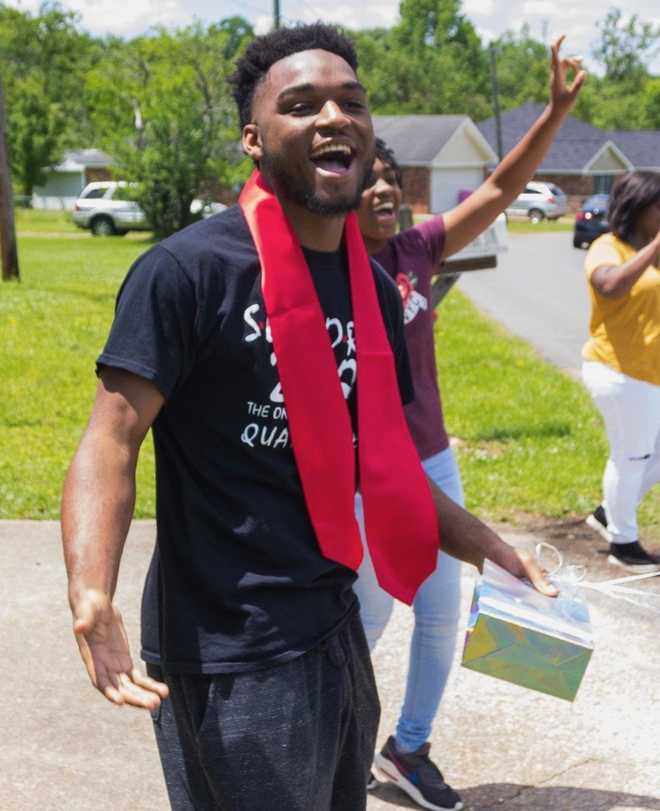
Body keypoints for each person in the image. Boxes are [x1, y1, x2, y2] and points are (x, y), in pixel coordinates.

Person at [61, 23, 555, 811]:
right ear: (253, 139)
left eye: (351, 102)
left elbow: (382, 465)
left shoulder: (370, 290)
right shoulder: (188, 273)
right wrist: (92, 591)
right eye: (302, 104)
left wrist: (490, 547)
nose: (334, 117)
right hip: (233, 647)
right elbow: (110, 438)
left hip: (333, 626)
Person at [354, 38, 585, 811]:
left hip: (432, 459)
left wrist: (554, 111)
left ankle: (407, 747)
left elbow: (499, 188)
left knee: (441, 610)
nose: (384, 193)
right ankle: (337, 737)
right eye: (369, 184)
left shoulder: (419, 248)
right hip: (362, 469)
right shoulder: (335, 265)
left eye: (391, 181)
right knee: (368, 611)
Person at [582, 171, 660, 573]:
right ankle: (623, 543)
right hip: (618, 371)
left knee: (652, 456)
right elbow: (609, 286)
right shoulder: (606, 247)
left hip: (649, 375)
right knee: (631, 457)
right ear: (638, 208)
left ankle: (606, 513)